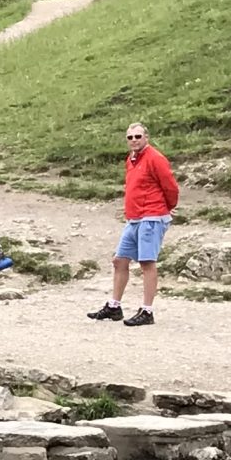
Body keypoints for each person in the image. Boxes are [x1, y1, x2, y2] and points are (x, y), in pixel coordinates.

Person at [90, 121, 179, 327]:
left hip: (151, 216)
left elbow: (170, 186)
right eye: (130, 137)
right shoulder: (131, 160)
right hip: (134, 217)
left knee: (147, 262)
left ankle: (147, 310)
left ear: (146, 137)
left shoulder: (155, 158)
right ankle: (114, 306)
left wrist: (167, 206)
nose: (134, 140)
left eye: (138, 136)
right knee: (119, 260)